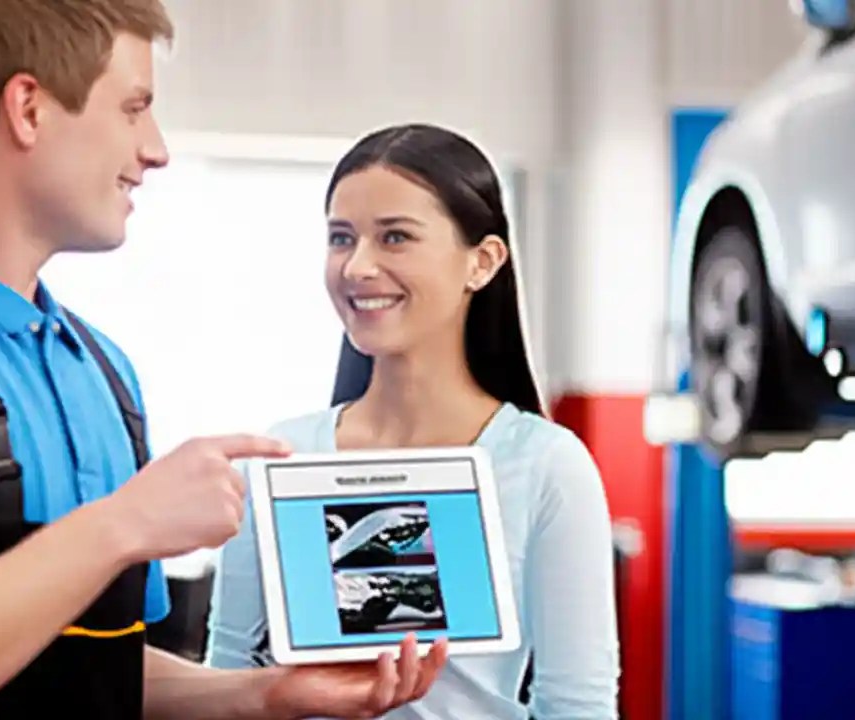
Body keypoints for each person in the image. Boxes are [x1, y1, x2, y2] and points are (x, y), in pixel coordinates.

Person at [0, 2, 447, 718]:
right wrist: (124, 523)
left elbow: (93, 663)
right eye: (134, 108)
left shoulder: (100, 370)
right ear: (29, 109)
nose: (156, 148)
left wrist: (264, 694)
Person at [205, 123, 621, 719]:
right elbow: (229, 669)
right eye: (341, 238)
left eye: (395, 237)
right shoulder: (281, 456)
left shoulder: (547, 466)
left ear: (482, 262)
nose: (357, 267)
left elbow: (578, 704)